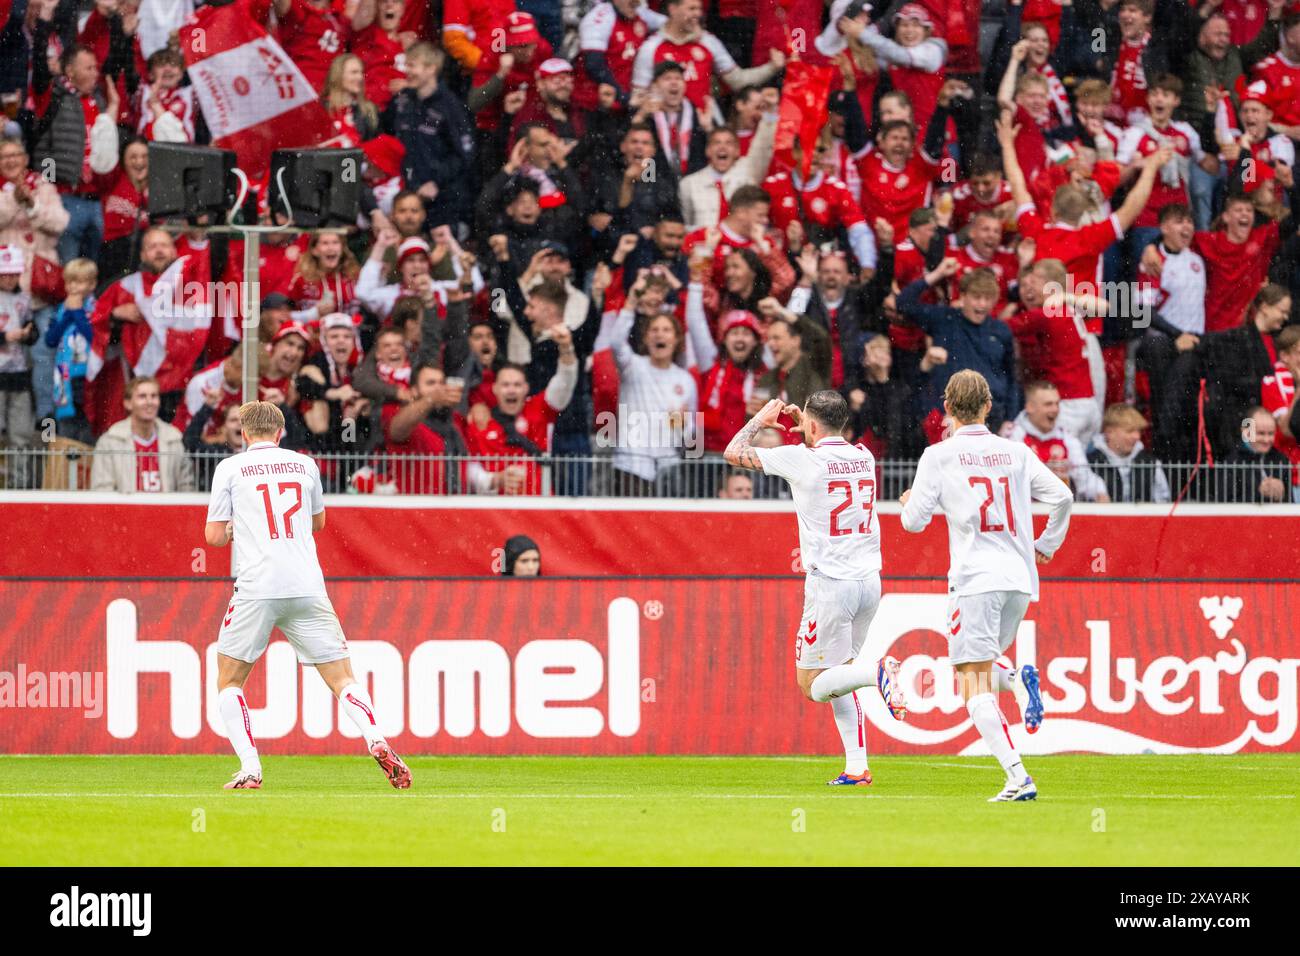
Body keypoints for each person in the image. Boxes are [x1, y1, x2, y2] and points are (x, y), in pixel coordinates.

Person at [203, 400, 412, 790]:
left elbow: (213, 537)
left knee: (229, 682)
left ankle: (251, 767)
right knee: (342, 679)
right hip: (306, 586)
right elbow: (318, 522)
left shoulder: (229, 468)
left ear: (245, 433)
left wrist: (237, 528)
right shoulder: (304, 465)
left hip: (257, 588)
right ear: (280, 432)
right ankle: (376, 738)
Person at [899, 369, 1073, 802]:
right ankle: (1016, 680)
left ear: (946, 408)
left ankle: (1018, 777)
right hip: (1018, 580)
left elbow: (913, 523)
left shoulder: (938, 456)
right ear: (989, 407)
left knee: (970, 683)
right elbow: (1064, 497)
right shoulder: (1016, 452)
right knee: (976, 667)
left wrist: (912, 501)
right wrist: (1046, 544)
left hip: (975, 580)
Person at [722, 389, 906, 786]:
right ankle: (856, 766)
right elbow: (822, 442)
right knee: (840, 674)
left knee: (813, 686)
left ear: (811, 424)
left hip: (831, 587)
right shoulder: (863, 457)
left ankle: (877, 672)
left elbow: (733, 452)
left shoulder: (802, 460)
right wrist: (804, 424)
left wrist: (763, 420)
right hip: (869, 583)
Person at [90, 375, 195, 492]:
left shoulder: (174, 439)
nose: (149, 402)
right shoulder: (110, 441)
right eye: (142, 396)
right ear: (128, 403)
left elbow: (186, 487)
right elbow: (102, 490)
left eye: (154, 396)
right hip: (126, 509)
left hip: (165, 510)